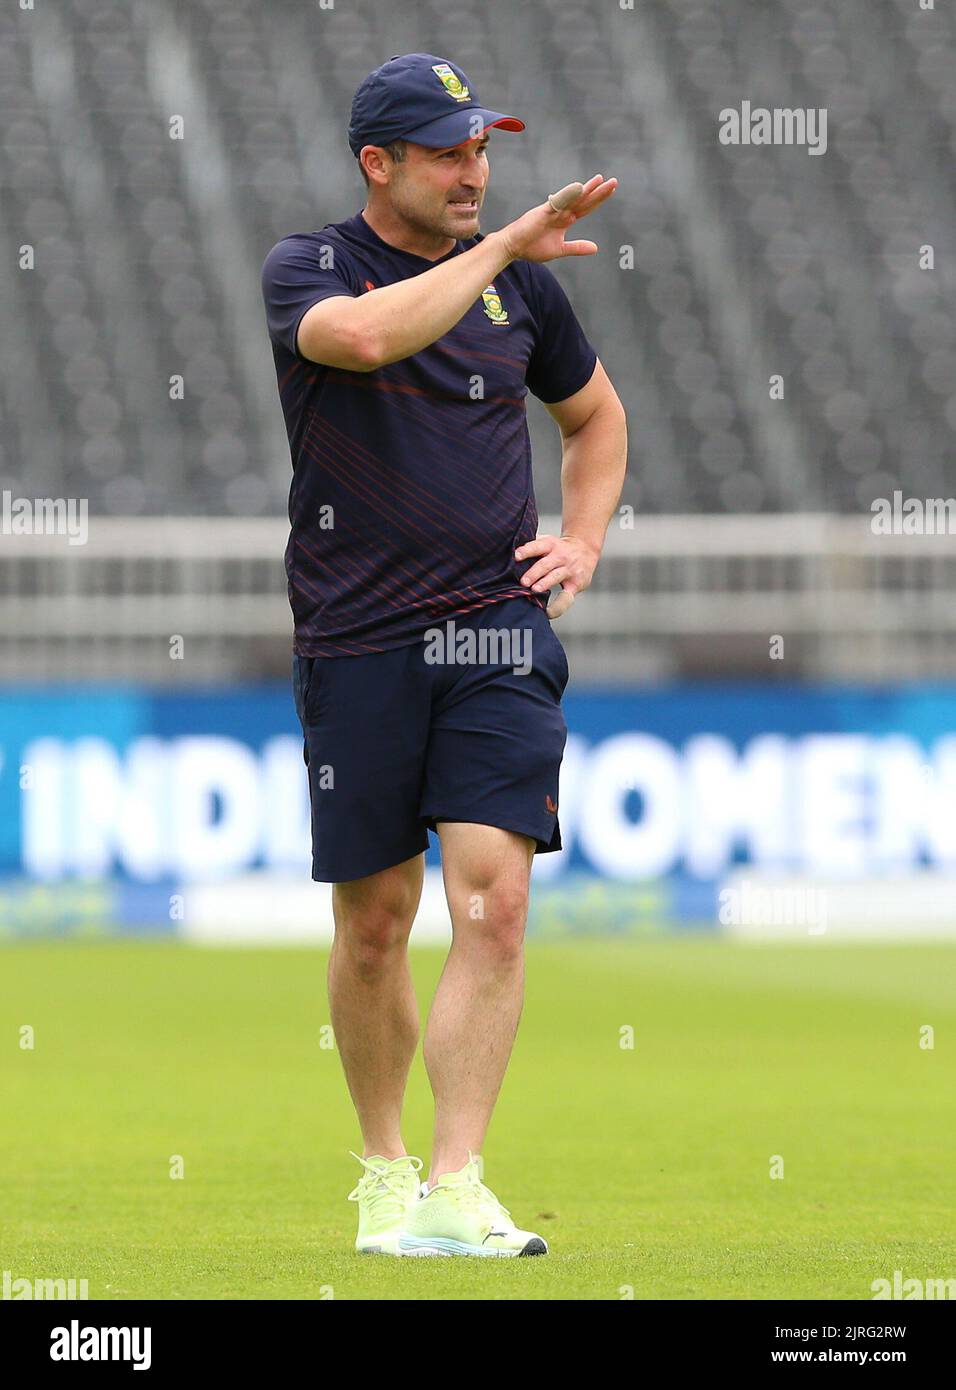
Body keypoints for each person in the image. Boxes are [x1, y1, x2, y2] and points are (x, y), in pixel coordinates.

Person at [261, 52, 626, 1257]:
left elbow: (594, 419)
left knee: (496, 895)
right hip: (356, 635)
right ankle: (383, 1168)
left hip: (492, 630)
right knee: (374, 919)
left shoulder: (520, 290)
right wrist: (497, 252)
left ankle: (457, 1184)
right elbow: (364, 340)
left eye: (483, 149)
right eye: (449, 151)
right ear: (379, 164)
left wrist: (577, 539)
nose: (476, 171)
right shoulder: (309, 267)